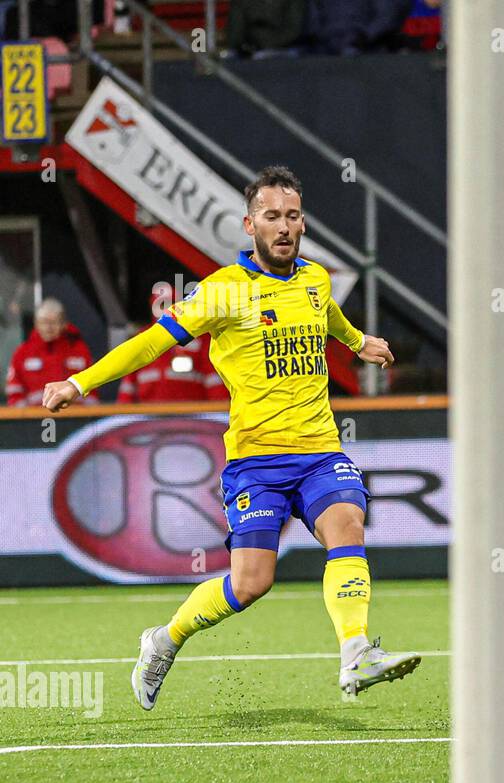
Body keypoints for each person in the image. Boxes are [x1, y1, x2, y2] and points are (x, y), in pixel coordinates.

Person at [43, 166, 421, 710]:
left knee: (347, 523)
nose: (284, 226)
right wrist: (80, 382)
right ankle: (164, 639)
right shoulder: (222, 293)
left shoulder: (315, 279)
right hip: (255, 461)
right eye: (272, 217)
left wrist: (360, 342)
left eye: (292, 216)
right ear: (250, 225)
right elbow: (151, 344)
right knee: (250, 584)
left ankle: (356, 652)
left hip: (319, 451)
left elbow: (328, 317)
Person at [117, 293, 228, 403]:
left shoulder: (200, 338)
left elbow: (214, 382)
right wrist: (122, 415)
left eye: (172, 304)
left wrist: (219, 412)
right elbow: (128, 387)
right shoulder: (140, 339)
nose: (166, 310)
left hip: (191, 416)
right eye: (162, 305)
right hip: (148, 416)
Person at [6, 298, 97, 406]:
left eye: (54, 322)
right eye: (44, 322)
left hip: (73, 418)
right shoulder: (23, 352)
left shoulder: (79, 350)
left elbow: (92, 391)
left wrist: (89, 415)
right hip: (34, 418)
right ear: (36, 323)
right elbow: (14, 391)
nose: (48, 327)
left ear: (63, 323)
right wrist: (23, 419)